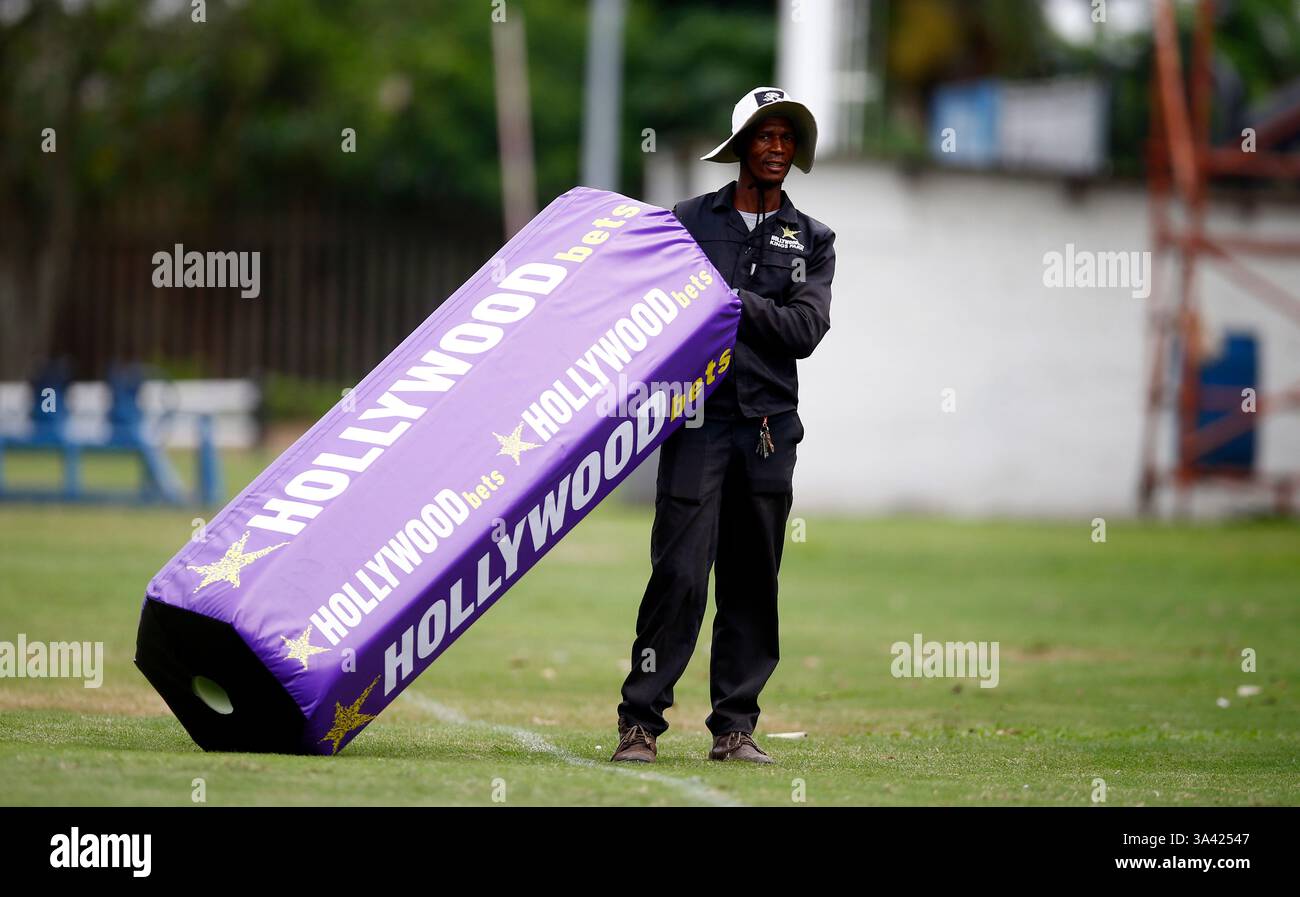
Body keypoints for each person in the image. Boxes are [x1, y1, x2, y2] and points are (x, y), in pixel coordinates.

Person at [612, 87, 836, 763]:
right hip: (696, 423)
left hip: (769, 428)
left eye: (786, 139)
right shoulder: (682, 222)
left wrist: (732, 303)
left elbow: (806, 329)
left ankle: (735, 727)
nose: (775, 149)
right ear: (740, 146)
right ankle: (640, 723)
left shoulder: (815, 240)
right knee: (678, 572)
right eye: (764, 136)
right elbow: (647, 310)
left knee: (751, 578)